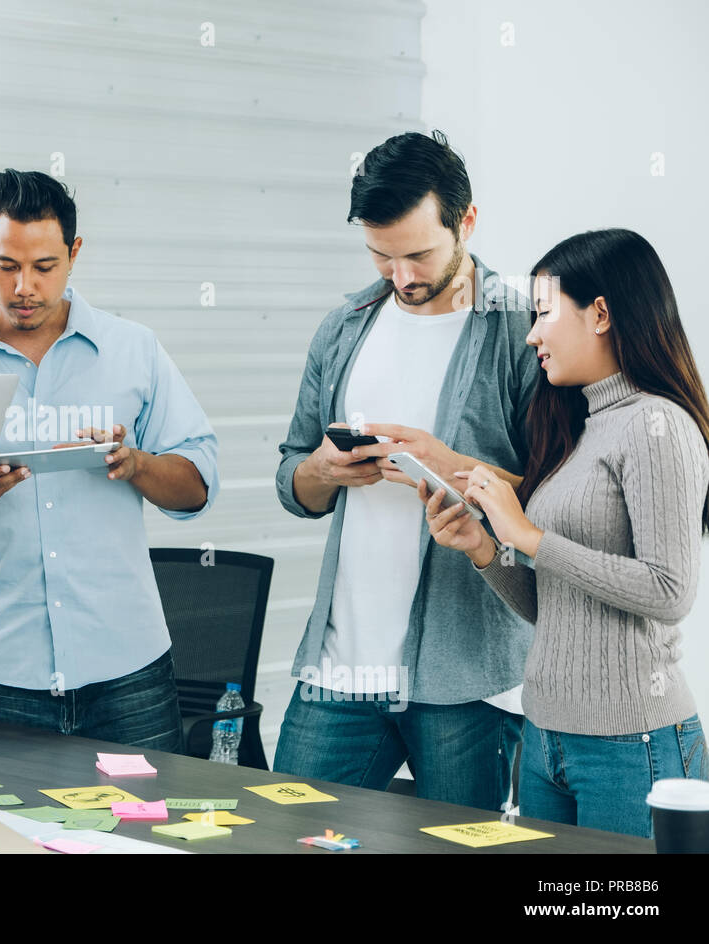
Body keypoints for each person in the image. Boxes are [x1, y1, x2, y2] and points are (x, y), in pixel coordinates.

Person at [0, 169, 218, 750]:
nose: (24, 287)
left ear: (74, 253)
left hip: (128, 670)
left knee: (148, 836)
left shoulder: (133, 350)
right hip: (0, 676)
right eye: (6, 266)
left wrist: (134, 463)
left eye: (44, 267)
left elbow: (197, 486)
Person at [272, 131, 540, 811]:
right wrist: (325, 470)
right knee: (276, 835)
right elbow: (291, 478)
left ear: (467, 222)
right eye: (381, 256)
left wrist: (450, 465)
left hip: (465, 682)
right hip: (339, 670)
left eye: (418, 254)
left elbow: (559, 500)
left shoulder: (522, 331)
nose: (401, 277)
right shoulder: (344, 328)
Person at [420, 228, 709, 837]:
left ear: (599, 313)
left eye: (544, 313)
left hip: (631, 745)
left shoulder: (658, 424)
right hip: (547, 740)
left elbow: (669, 590)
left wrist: (526, 536)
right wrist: (486, 551)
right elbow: (559, 607)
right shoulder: (582, 428)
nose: (531, 335)